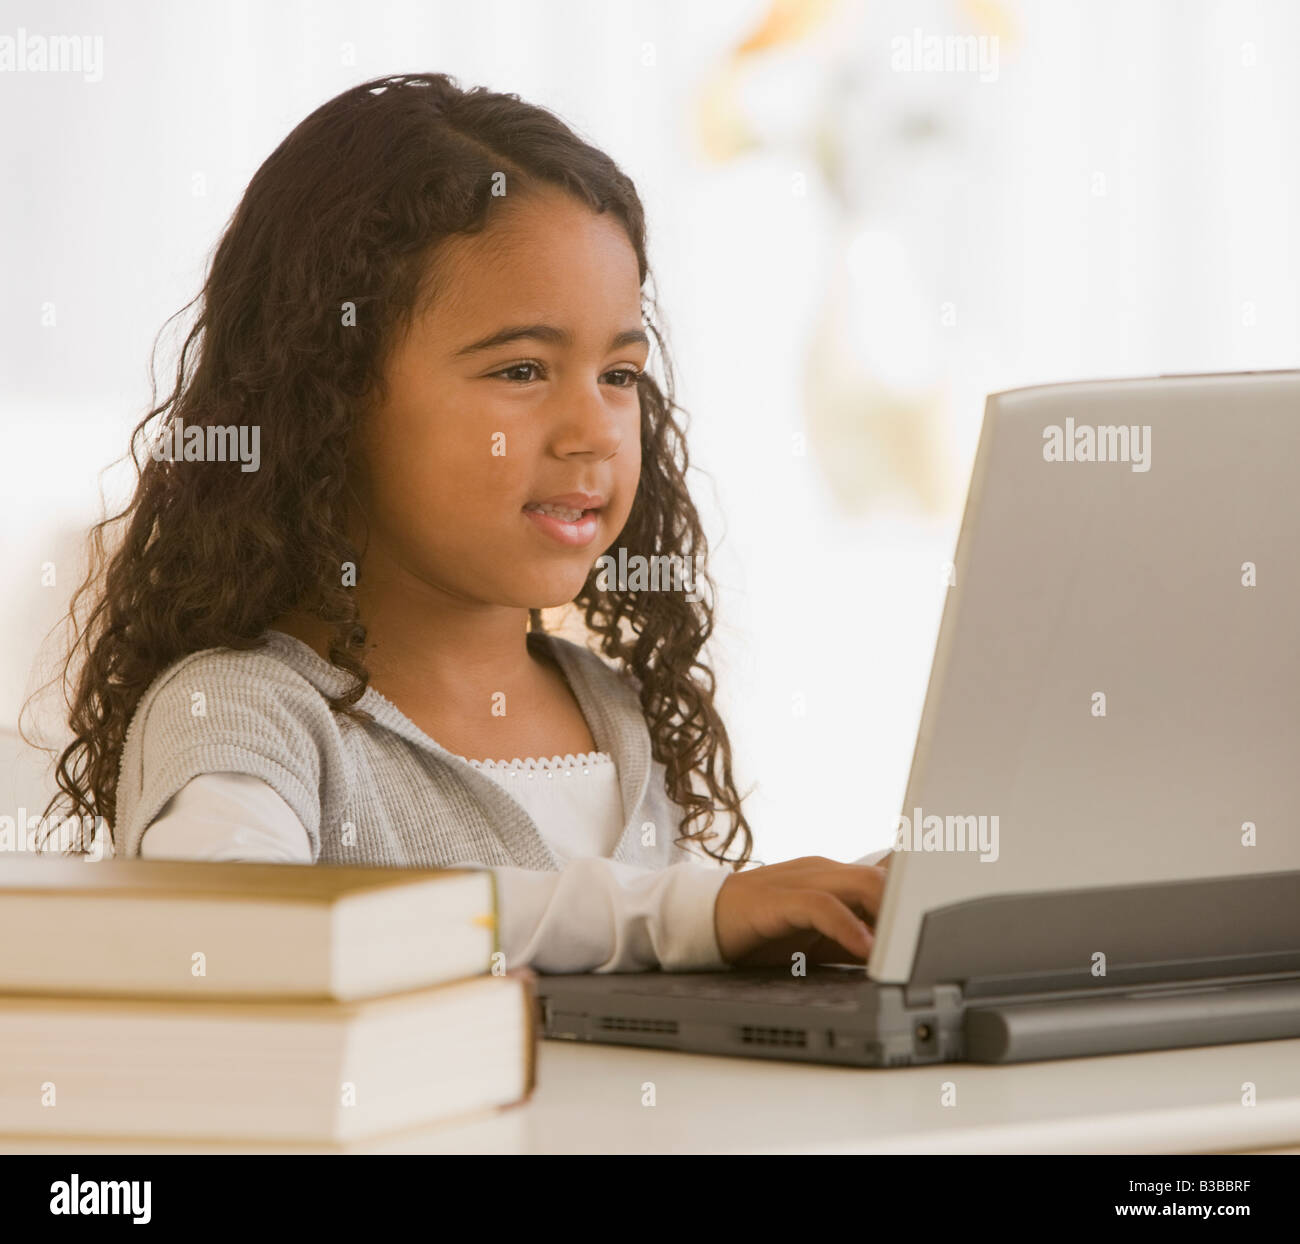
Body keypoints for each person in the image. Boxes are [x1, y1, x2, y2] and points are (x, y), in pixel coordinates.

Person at [42, 73, 889, 974]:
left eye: (619, 375)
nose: (594, 431)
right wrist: (674, 914)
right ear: (327, 399)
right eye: (522, 371)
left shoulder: (610, 709)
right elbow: (245, 939)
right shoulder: (245, 717)